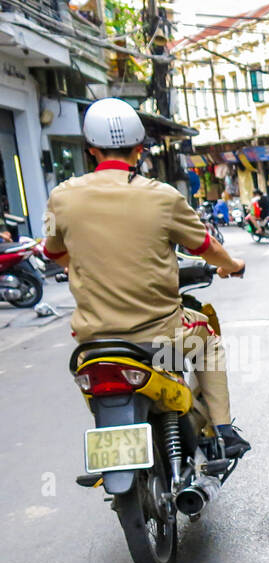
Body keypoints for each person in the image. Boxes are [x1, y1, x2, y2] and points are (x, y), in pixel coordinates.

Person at [42, 98, 250, 457]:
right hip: (159, 342)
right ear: (139, 150)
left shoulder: (62, 196)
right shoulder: (163, 197)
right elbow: (206, 247)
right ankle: (223, 429)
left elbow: (55, 253)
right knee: (209, 340)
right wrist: (232, 265)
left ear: (91, 150)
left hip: (95, 344)